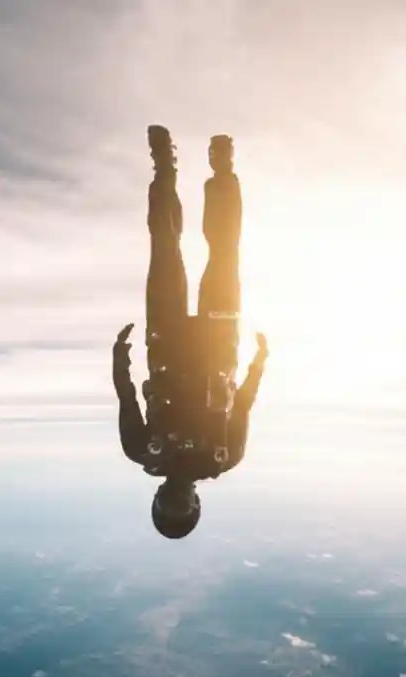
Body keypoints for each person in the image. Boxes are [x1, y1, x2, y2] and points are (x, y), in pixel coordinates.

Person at [112, 125, 269, 539]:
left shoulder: (147, 450)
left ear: (156, 501)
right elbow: (244, 404)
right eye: (181, 510)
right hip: (207, 339)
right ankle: (220, 172)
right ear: (196, 505)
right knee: (217, 251)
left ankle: (167, 167)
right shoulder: (222, 456)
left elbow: (127, 396)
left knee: (168, 246)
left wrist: (120, 358)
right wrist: (258, 363)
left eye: (167, 509)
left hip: (180, 336)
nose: (175, 502)